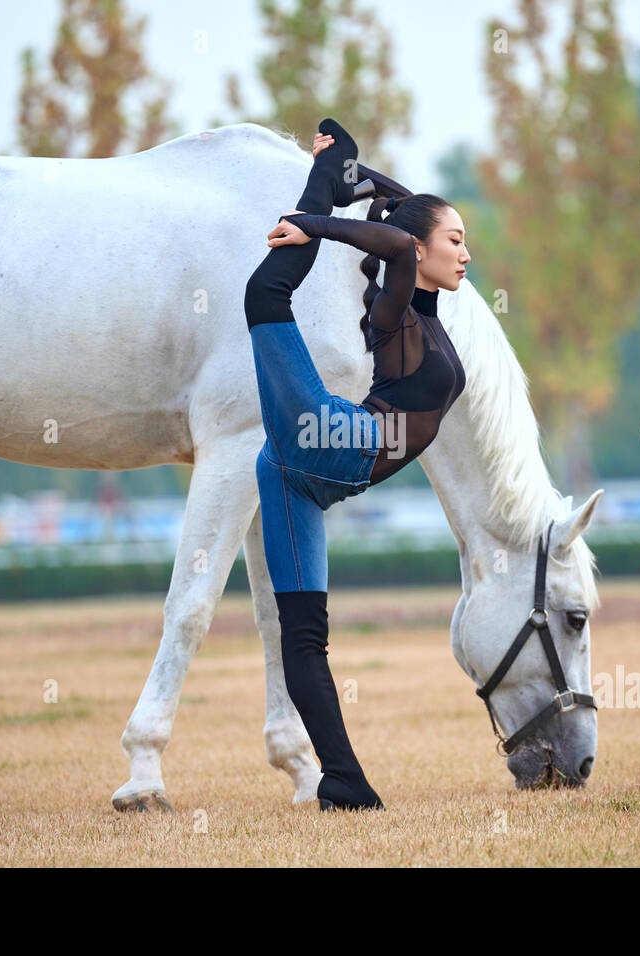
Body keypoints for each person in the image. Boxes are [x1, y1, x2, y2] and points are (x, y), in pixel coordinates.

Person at [244, 118, 471, 811]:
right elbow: (400, 241)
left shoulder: (422, 316)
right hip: (334, 441)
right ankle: (322, 177)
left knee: (304, 637)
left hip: (296, 474)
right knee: (264, 295)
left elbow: (406, 228)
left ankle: (344, 781)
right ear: (427, 249)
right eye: (457, 241)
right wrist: (320, 217)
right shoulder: (395, 317)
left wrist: (366, 183)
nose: (467, 254)